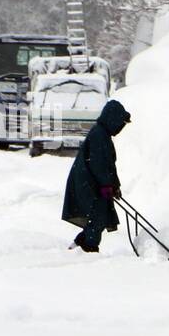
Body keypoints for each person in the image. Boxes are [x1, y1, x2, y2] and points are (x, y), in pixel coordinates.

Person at [62, 99, 131, 253]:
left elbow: (109, 166)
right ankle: (89, 247)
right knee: (97, 215)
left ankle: (82, 242)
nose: (121, 127)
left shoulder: (103, 134)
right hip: (89, 184)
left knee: (98, 216)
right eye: (121, 123)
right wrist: (107, 185)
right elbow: (98, 164)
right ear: (113, 119)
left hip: (94, 183)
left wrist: (115, 186)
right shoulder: (99, 135)